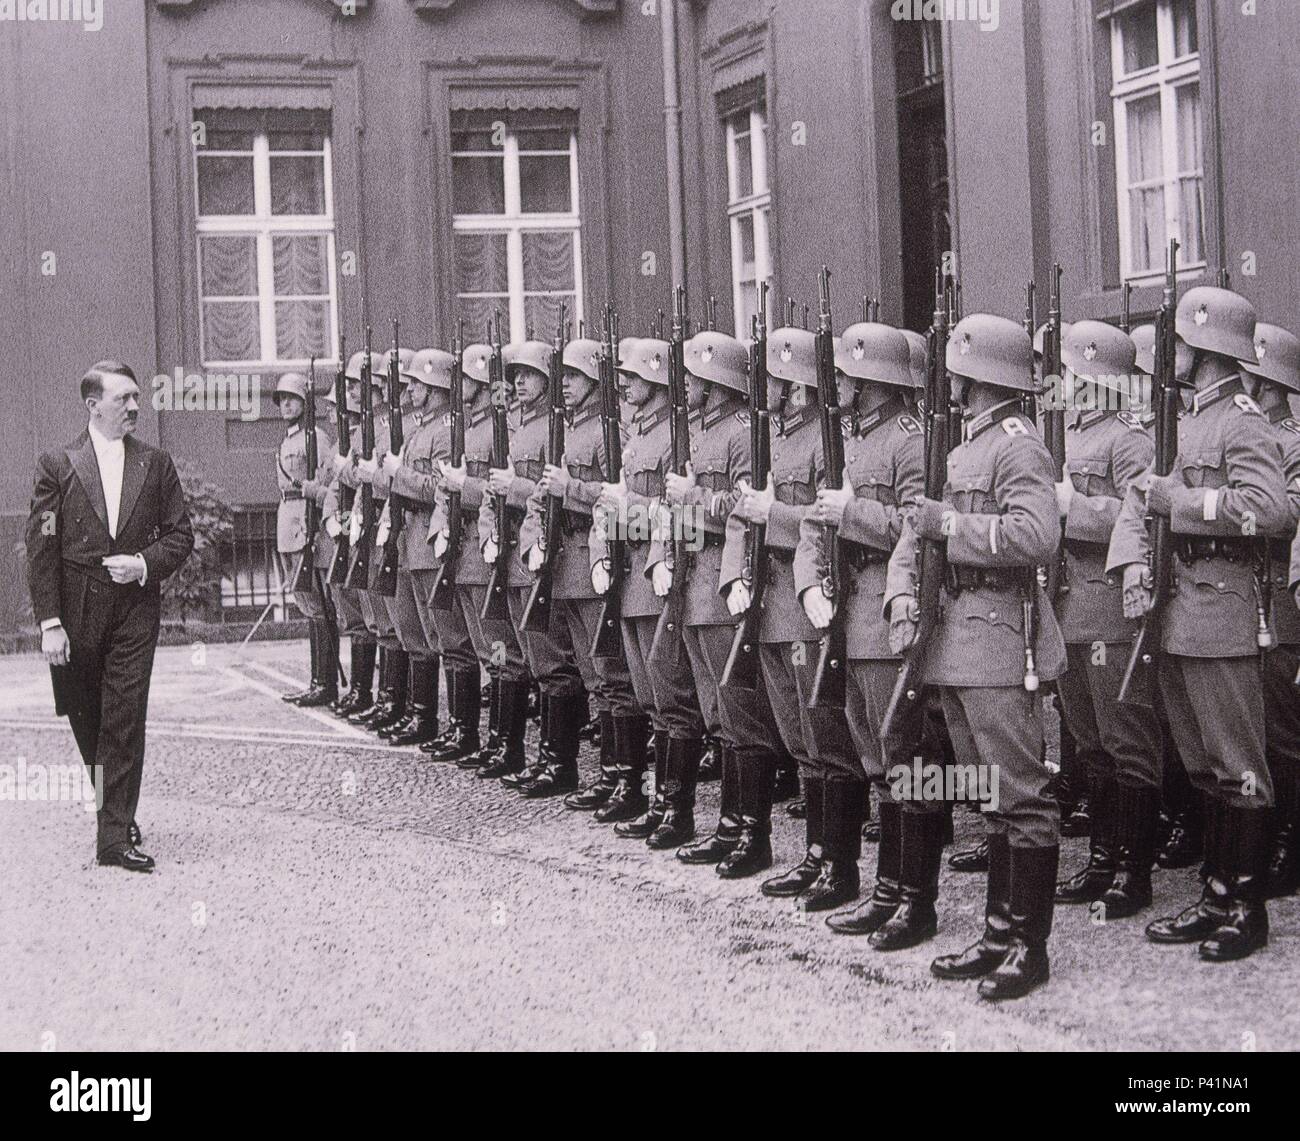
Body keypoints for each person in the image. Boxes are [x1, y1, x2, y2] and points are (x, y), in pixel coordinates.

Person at [1108, 285, 1290, 963]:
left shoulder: (1241, 419)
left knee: (1239, 764)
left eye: (1178, 341)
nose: (1169, 354)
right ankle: (1216, 892)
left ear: (1206, 348)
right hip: (1177, 609)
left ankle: (1245, 907)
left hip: (1221, 608)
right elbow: (1139, 501)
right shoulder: (1182, 420)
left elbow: (1270, 512)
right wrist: (1131, 565)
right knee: (1203, 763)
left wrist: (1183, 502)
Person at [888, 314, 1066, 1000]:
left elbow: (1038, 535)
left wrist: (953, 524)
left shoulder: (1018, 446)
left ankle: (1029, 944)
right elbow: (918, 531)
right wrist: (903, 595)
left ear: (981, 374)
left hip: (997, 636)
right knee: (989, 795)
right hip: (956, 637)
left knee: (1020, 792)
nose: (949, 380)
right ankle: (999, 931)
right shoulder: (963, 443)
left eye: (958, 368)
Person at [797, 320, 937, 945]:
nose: (841, 384)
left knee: (901, 756)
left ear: (875, 380)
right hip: (851, 609)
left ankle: (911, 899)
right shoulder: (851, 438)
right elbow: (815, 519)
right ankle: (884, 891)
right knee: (873, 756)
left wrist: (851, 513)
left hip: (888, 606)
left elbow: (917, 526)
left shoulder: (910, 441)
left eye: (851, 373)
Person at [26, 360, 194, 872]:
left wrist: (144, 563)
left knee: (123, 717)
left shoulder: (156, 463)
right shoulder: (58, 465)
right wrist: (50, 622)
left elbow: (181, 535)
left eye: (137, 398)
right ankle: (114, 811)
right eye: (123, 399)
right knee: (86, 715)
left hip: (135, 610)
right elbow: (42, 544)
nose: (134, 408)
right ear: (93, 404)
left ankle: (114, 836)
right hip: (77, 610)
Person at [726, 324, 865, 911]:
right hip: (774, 601)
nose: (770, 391)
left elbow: (827, 515)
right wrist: (737, 572)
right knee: (799, 735)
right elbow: (741, 514)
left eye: (780, 381)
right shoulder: (773, 437)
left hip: (812, 597)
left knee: (828, 735)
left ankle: (840, 863)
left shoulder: (827, 440)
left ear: (802, 388)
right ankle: (814, 855)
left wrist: (773, 512)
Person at [1049, 321, 1162, 919]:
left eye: (1075, 374)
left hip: (1112, 610)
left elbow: (1139, 515)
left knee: (1127, 743)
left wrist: (1077, 507)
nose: (1065, 383)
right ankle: (1101, 859)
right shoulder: (1062, 434)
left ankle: (1132, 872)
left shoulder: (1129, 439)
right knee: (1090, 743)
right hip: (1068, 607)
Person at [671, 328, 785, 876]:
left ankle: (751, 833)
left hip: (724, 579)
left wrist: (690, 498)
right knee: (718, 713)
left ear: (715, 382)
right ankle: (727, 826)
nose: (686, 383)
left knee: (741, 713)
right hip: (695, 579)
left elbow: (744, 511)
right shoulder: (697, 429)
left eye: (694, 375)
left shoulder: (742, 433)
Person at [599, 337, 706, 847]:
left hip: (661, 579)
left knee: (673, 696)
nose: (624, 385)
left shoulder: (673, 440)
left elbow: (683, 521)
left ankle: (676, 811)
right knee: (650, 697)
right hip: (631, 578)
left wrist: (624, 510)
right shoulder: (636, 436)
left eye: (634, 377)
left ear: (660, 382)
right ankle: (657, 802)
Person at [481, 339, 587, 782]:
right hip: (513, 552)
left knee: (552, 660)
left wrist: (513, 489)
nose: (519, 381)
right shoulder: (515, 426)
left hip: (546, 552)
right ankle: (534, 755)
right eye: (515, 374)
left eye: (529, 374)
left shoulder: (553, 430)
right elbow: (493, 490)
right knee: (525, 656)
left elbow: (551, 496)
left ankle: (558, 762)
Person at [1235, 321, 1300, 898]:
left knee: (1280, 729)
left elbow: (1291, 511)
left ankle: (1289, 842)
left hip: (1280, 598)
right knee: (1249, 725)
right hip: (1247, 597)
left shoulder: (1294, 439)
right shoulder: (1248, 431)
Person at [273, 371, 340, 708]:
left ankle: (324, 683)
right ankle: (316, 679)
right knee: (306, 604)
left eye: (292, 398)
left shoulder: (317, 438)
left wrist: (316, 529)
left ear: (304, 402)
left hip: (306, 522)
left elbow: (323, 482)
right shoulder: (289, 439)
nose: (286, 404)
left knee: (319, 607)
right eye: (282, 399)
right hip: (289, 521)